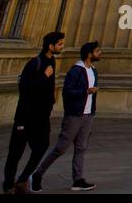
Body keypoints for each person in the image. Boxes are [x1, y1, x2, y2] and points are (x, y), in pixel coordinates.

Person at [31, 41, 102, 191]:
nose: (100, 53)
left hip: (88, 115)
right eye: (97, 51)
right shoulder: (76, 70)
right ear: (89, 54)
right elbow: (67, 92)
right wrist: (86, 92)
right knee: (61, 148)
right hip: (74, 115)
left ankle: (78, 179)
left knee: (81, 148)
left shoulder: (93, 71)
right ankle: (38, 174)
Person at [2, 31, 65, 194]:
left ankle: (22, 180)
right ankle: (8, 185)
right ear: (50, 46)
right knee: (15, 153)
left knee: (42, 147)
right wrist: (44, 76)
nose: (62, 46)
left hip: (42, 117)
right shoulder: (34, 63)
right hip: (26, 116)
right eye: (60, 44)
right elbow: (24, 89)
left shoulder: (52, 61)